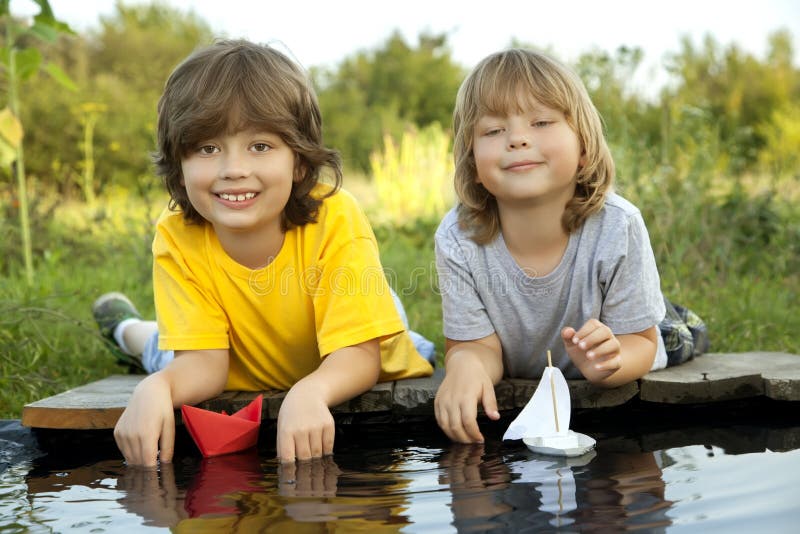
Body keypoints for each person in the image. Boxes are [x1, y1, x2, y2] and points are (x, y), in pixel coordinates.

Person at [92, 39, 434, 466]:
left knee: (397, 334)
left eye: (260, 146)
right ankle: (124, 328)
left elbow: (360, 357)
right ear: (179, 162)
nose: (233, 169)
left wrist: (311, 391)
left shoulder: (336, 216)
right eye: (207, 148)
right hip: (232, 355)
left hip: (338, 348)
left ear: (300, 162)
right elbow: (203, 365)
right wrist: (154, 389)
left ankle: (393, 318)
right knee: (159, 352)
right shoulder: (177, 232)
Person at [433, 48, 707, 443]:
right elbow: (475, 345)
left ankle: (676, 315)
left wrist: (611, 361)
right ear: (472, 162)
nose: (518, 139)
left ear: (583, 147)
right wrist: (466, 365)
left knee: (680, 331)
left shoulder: (617, 224)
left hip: (629, 334)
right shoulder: (459, 237)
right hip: (540, 355)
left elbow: (640, 343)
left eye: (541, 121)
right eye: (493, 131)